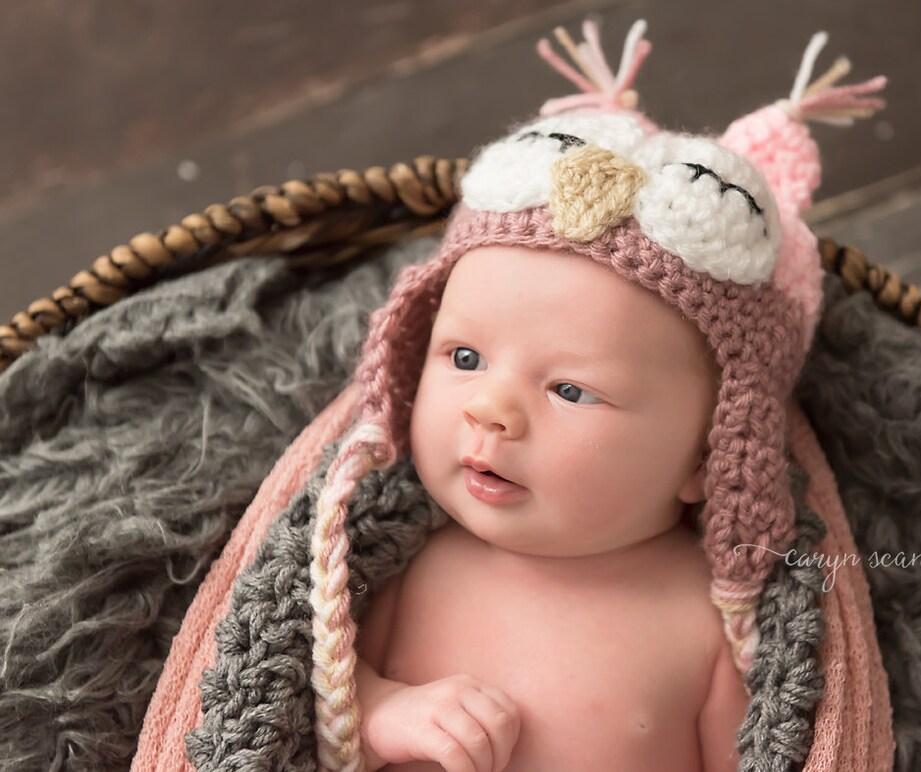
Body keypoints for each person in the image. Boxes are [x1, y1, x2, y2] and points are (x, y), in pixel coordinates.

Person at [304, 18, 887, 771]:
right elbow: (318, 708)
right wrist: (386, 714)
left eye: (572, 390)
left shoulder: (701, 623)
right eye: (467, 356)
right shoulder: (418, 569)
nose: (491, 411)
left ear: (711, 453)